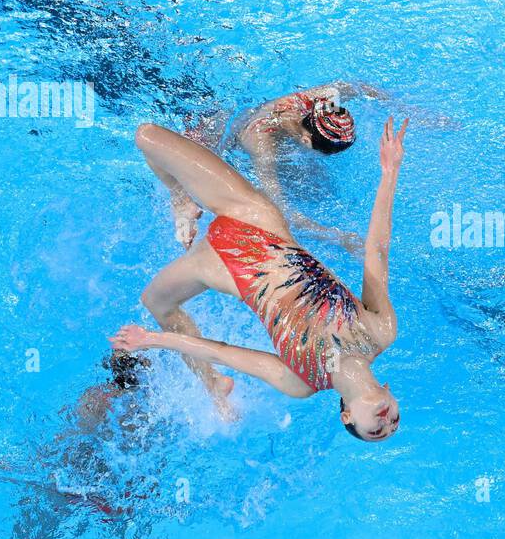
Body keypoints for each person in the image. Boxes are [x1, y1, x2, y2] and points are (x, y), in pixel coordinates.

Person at [110, 115, 408, 440]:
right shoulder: (380, 331)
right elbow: (377, 252)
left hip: (219, 268)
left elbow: (223, 352)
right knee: (147, 137)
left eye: (376, 432)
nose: (386, 422)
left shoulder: (301, 382)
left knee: (154, 302)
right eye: (394, 421)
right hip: (252, 218)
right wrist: (389, 174)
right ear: (391, 392)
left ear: (347, 416)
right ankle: (180, 198)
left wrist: (154, 340)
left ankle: (213, 384)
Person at [175, 81, 385, 253]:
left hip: (228, 104)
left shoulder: (318, 103)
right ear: (305, 140)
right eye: (326, 153)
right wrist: (339, 238)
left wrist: (410, 110)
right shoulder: (264, 147)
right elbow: (281, 213)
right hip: (202, 132)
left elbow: (359, 87)